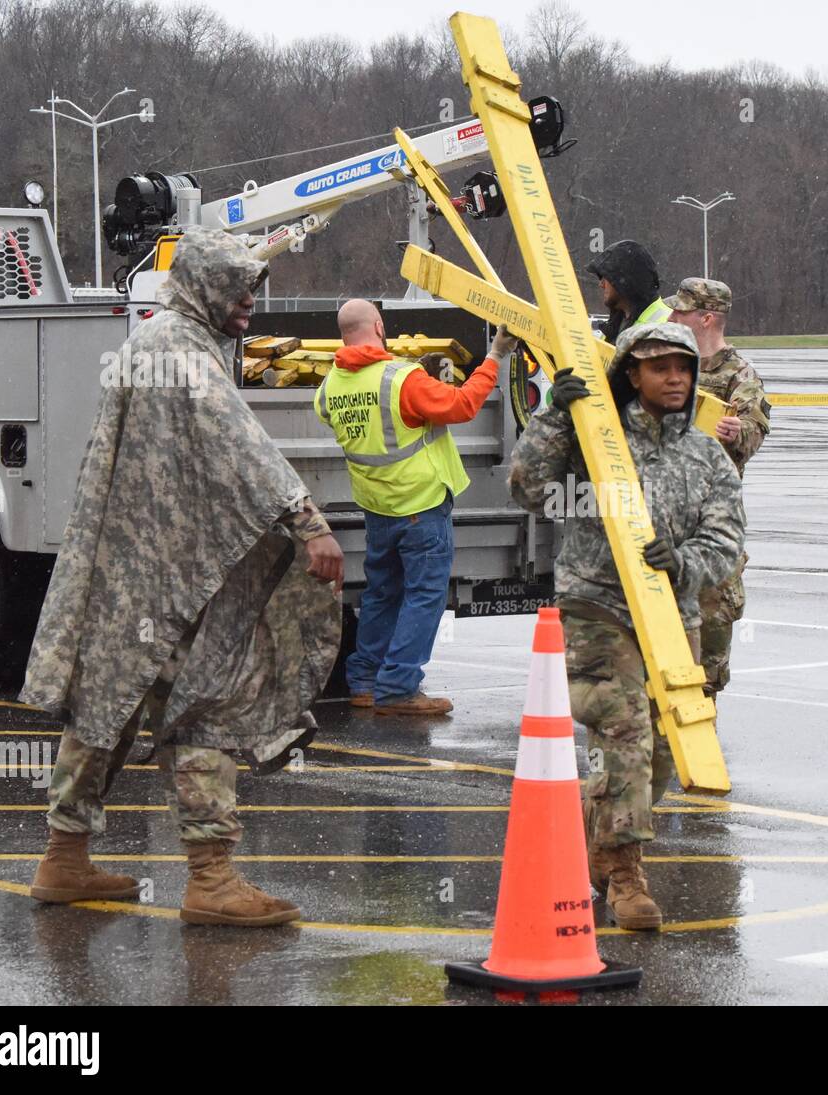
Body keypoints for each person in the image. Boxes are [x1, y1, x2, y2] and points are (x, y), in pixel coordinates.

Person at [23, 226, 345, 927]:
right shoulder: (180, 348)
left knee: (109, 699)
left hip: (135, 564)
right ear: (204, 285)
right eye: (239, 290)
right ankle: (211, 876)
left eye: (254, 290)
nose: (249, 305)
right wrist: (306, 520)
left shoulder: (155, 338)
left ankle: (64, 854)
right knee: (211, 700)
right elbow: (239, 442)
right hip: (175, 569)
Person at [509, 321, 744, 930]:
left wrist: (686, 561)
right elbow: (528, 489)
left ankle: (600, 844)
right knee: (626, 735)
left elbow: (726, 537)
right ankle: (625, 876)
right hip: (598, 607)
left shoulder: (705, 453)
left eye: (684, 368)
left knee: (666, 749)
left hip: (670, 613)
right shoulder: (595, 437)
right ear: (632, 373)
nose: (675, 378)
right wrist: (554, 419)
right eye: (660, 366)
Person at [318, 300, 517, 716]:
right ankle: (399, 686)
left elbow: (348, 416)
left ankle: (366, 682)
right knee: (424, 596)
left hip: (377, 509)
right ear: (378, 326)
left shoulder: (331, 385)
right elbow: (463, 405)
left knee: (382, 594)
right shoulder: (400, 378)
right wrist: (495, 355)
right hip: (421, 505)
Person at [667, 277, 770, 696]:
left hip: (712, 519)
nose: (672, 317)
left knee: (711, 620)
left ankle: (703, 719)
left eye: (682, 311)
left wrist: (736, 431)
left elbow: (755, 429)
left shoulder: (739, 374)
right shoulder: (671, 366)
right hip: (666, 515)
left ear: (706, 318)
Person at [586, 239, 671, 342]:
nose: (601, 284)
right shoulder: (614, 326)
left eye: (605, 277)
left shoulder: (667, 328)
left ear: (623, 281)